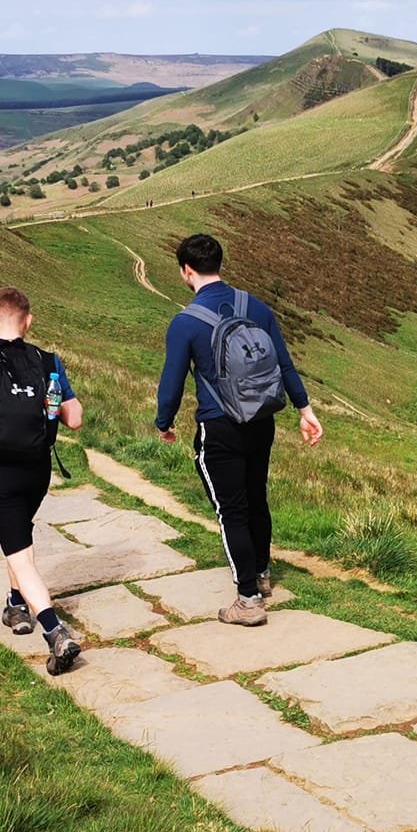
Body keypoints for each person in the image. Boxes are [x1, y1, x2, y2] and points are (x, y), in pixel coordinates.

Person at [153, 232, 322, 626]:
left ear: (186, 271)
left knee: (231, 509)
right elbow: (284, 363)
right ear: (219, 264)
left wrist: (164, 422)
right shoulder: (256, 307)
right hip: (263, 420)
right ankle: (261, 575)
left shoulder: (186, 323)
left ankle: (247, 600)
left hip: (220, 425)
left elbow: (172, 382)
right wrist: (305, 409)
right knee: (255, 497)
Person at [0, 287, 84, 674]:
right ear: (28, 321)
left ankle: (55, 632)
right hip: (37, 468)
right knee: (19, 535)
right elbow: (73, 418)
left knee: (21, 555)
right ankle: (15, 605)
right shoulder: (47, 360)